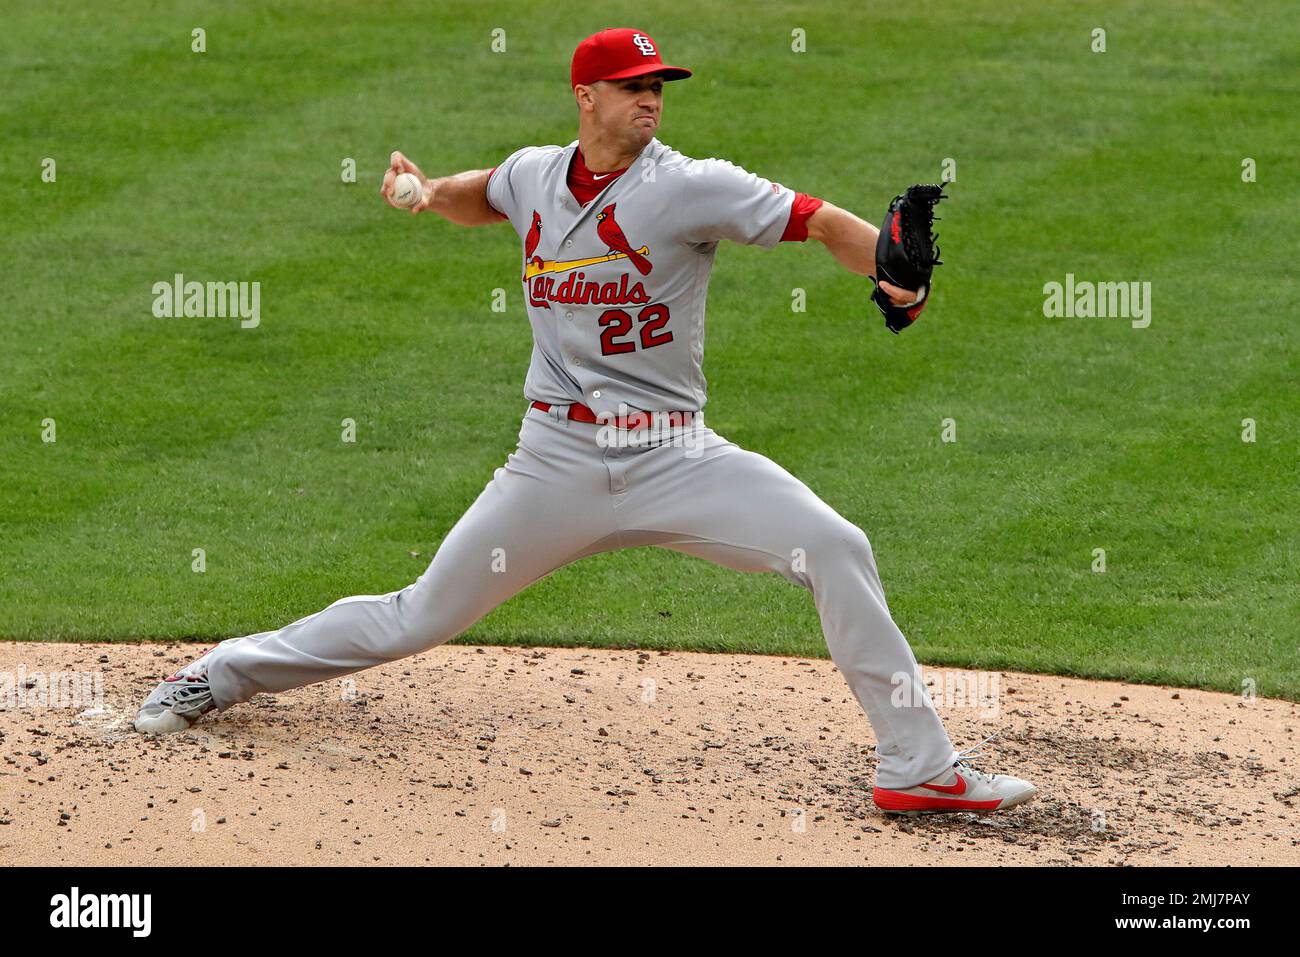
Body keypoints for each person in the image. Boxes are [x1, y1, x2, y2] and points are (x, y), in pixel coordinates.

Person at [135, 28, 1036, 816]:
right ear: (587, 96)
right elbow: (475, 194)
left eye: (658, 88)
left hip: (675, 457)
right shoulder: (534, 175)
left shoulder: (689, 186)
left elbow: (819, 220)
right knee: (417, 616)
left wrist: (891, 271)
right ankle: (221, 671)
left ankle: (918, 766)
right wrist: (420, 192)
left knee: (835, 545)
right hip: (554, 461)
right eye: (635, 87)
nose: (651, 100)